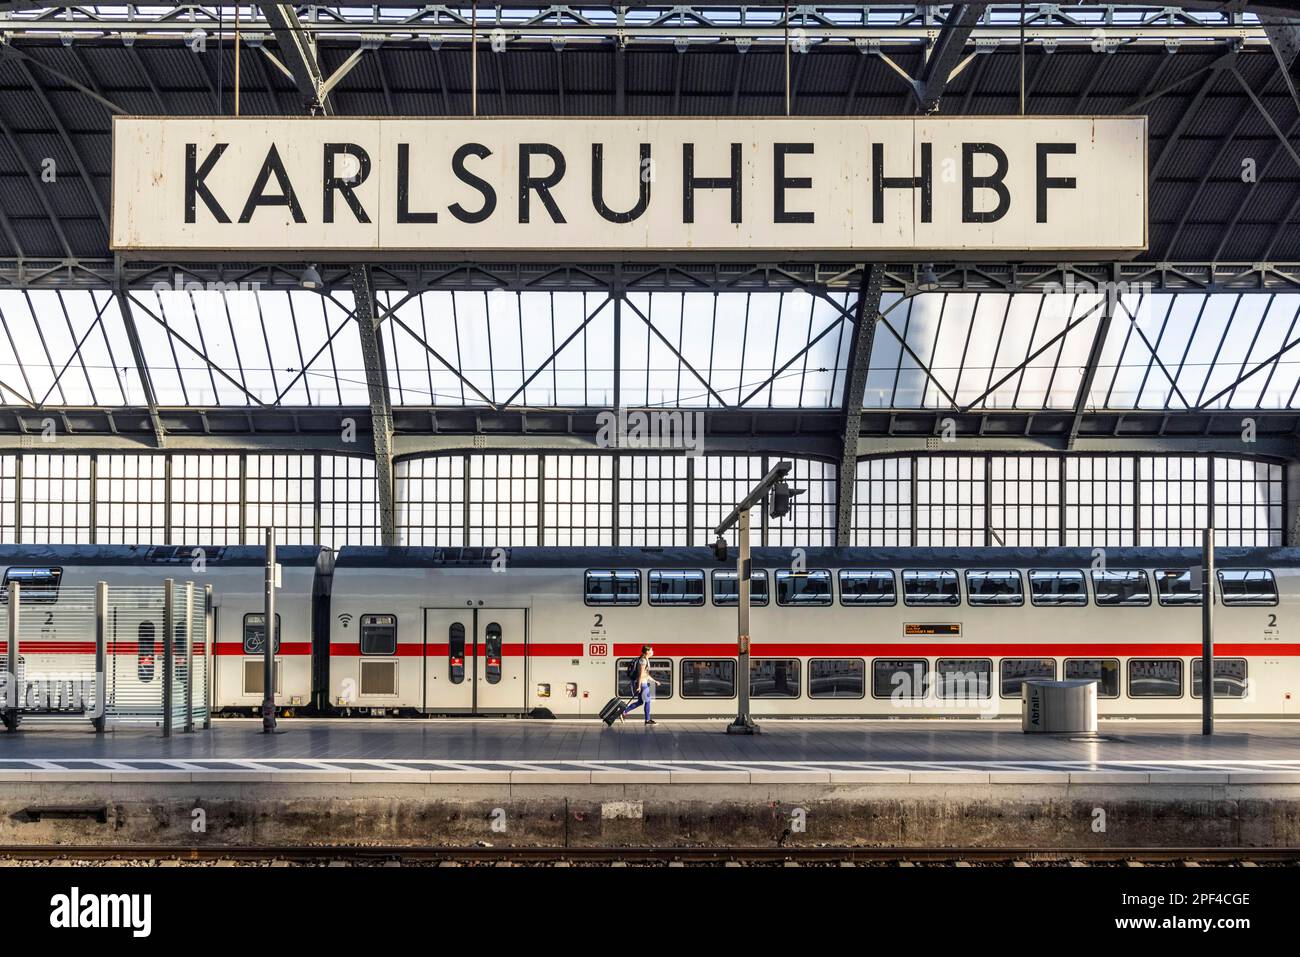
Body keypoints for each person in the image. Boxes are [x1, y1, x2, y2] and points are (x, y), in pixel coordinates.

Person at [621, 645, 660, 725]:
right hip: (642, 683)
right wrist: (638, 686)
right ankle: (647, 720)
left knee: (640, 701)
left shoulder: (645, 660)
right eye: (651, 650)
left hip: (642, 682)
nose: (653, 651)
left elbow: (646, 674)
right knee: (648, 701)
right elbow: (640, 674)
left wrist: (655, 681)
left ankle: (624, 712)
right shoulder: (643, 660)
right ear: (647, 652)